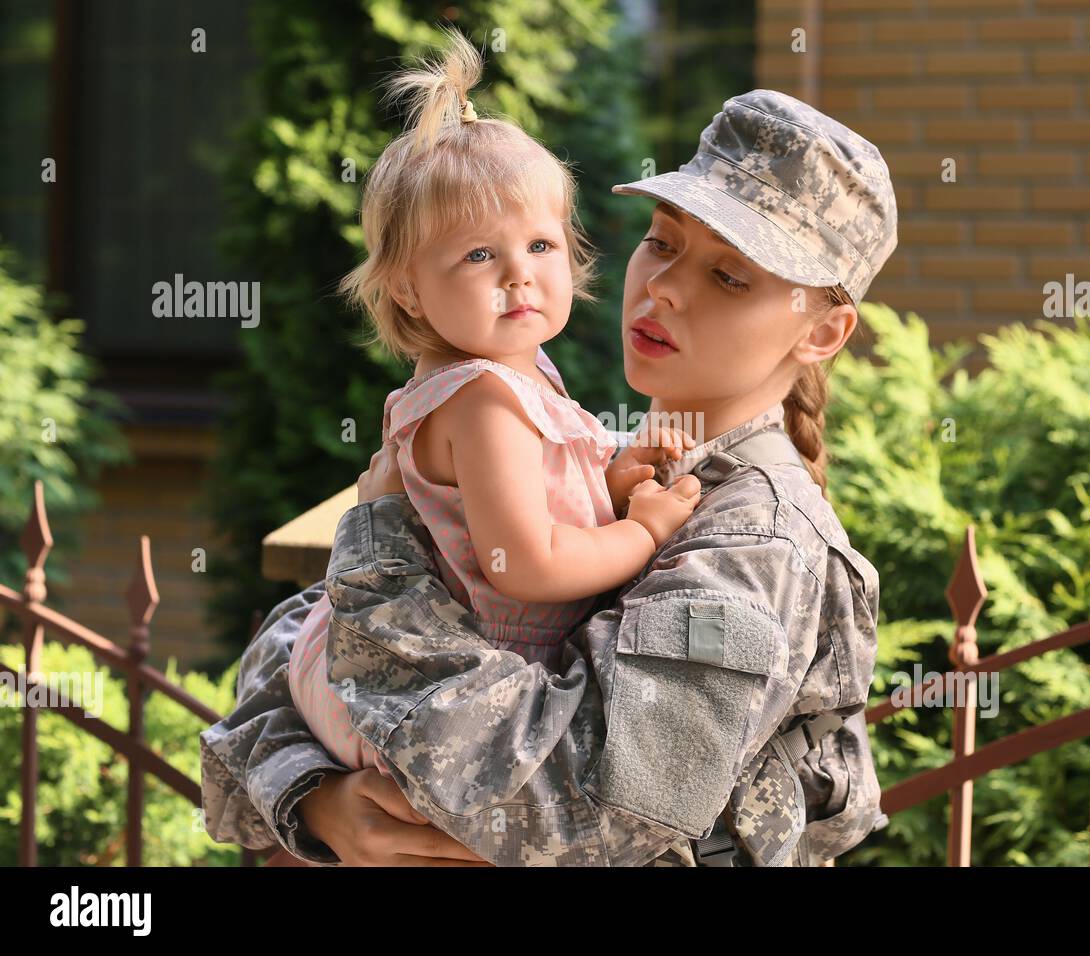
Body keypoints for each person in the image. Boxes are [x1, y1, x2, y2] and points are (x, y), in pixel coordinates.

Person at [200, 85, 899, 867]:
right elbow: (293, 647)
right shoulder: (611, 460)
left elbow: (579, 806)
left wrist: (381, 556)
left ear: (824, 331)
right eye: (663, 243)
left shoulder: (754, 543)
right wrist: (317, 800)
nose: (663, 286)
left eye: (730, 277)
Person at [286, 29, 702, 776]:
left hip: (383, 672)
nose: (519, 275)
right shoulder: (483, 400)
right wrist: (642, 534)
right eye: (479, 255)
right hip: (406, 700)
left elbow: (518, 513)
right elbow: (527, 565)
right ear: (408, 286)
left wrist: (606, 485)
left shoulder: (511, 371)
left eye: (540, 246)